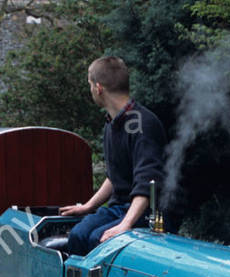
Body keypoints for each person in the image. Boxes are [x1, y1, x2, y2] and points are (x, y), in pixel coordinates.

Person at [60, 56, 167, 254]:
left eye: (90, 85)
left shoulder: (144, 124)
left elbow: (147, 183)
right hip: (118, 208)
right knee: (78, 234)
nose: (91, 90)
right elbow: (115, 174)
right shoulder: (112, 123)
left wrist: (125, 225)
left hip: (143, 213)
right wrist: (88, 206)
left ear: (98, 88)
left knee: (98, 239)